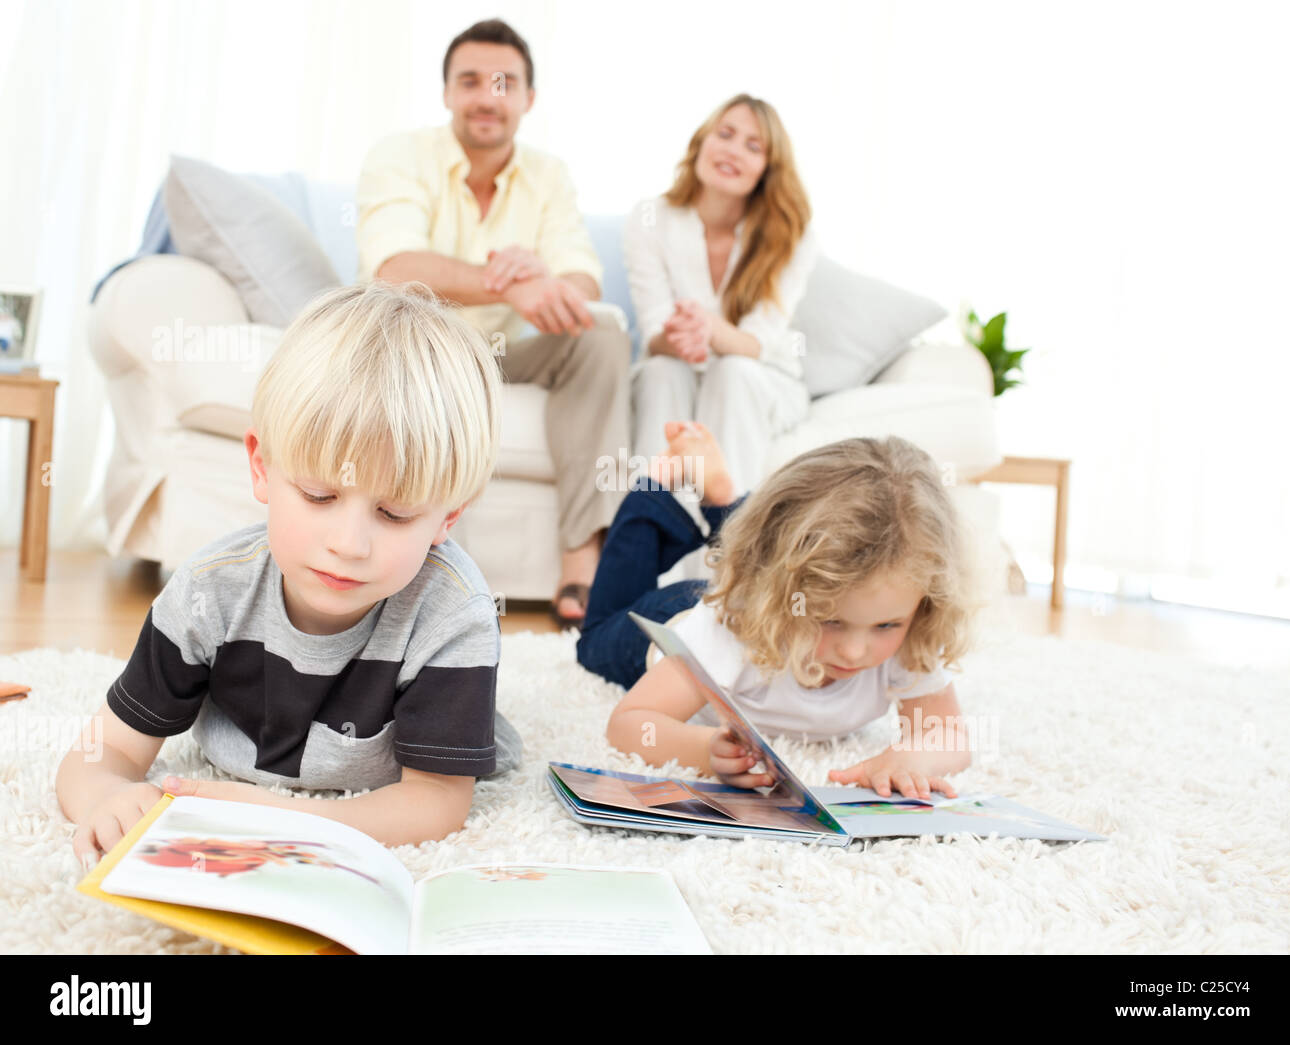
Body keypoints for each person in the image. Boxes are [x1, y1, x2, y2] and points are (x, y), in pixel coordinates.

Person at [57, 282, 522, 866]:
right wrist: (108, 796)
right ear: (261, 467)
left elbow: (436, 802)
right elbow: (101, 753)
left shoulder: (454, 613)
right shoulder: (208, 592)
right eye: (318, 495)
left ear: (447, 517)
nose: (348, 544)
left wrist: (283, 819)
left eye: (395, 513)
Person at [356, 18, 630, 628]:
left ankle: (582, 556)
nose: (487, 96)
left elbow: (583, 281)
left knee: (602, 334)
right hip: (417, 343)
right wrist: (512, 282)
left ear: (528, 99)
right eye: (471, 81)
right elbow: (395, 269)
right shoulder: (400, 155)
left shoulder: (549, 174)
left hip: (499, 351)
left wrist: (551, 284)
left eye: (504, 84)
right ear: (448, 93)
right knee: (416, 331)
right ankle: (421, 571)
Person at [577, 423, 979, 799]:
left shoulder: (910, 623)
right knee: (595, 637)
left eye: (887, 625)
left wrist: (912, 758)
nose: (856, 651)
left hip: (756, 587)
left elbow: (947, 735)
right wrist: (704, 750)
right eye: (830, 620)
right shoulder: (727, 633)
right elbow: (629, 724)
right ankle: (654, 489)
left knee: (769, 542)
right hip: (674, 615)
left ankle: (723, 501)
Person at [624, 94, 817, 497]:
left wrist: (707, 329)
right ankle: (648, 546)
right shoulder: (651, 219)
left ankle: (727, 545)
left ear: (767, 168)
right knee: (661, 372)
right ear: (702, 142)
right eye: (725, 134)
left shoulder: (792, 236)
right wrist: (679, 336)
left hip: (758, 377)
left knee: (732, 372)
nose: (733, 151)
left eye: (753, 146)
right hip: (677, 369)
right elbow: (655, 330)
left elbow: (758, 341)